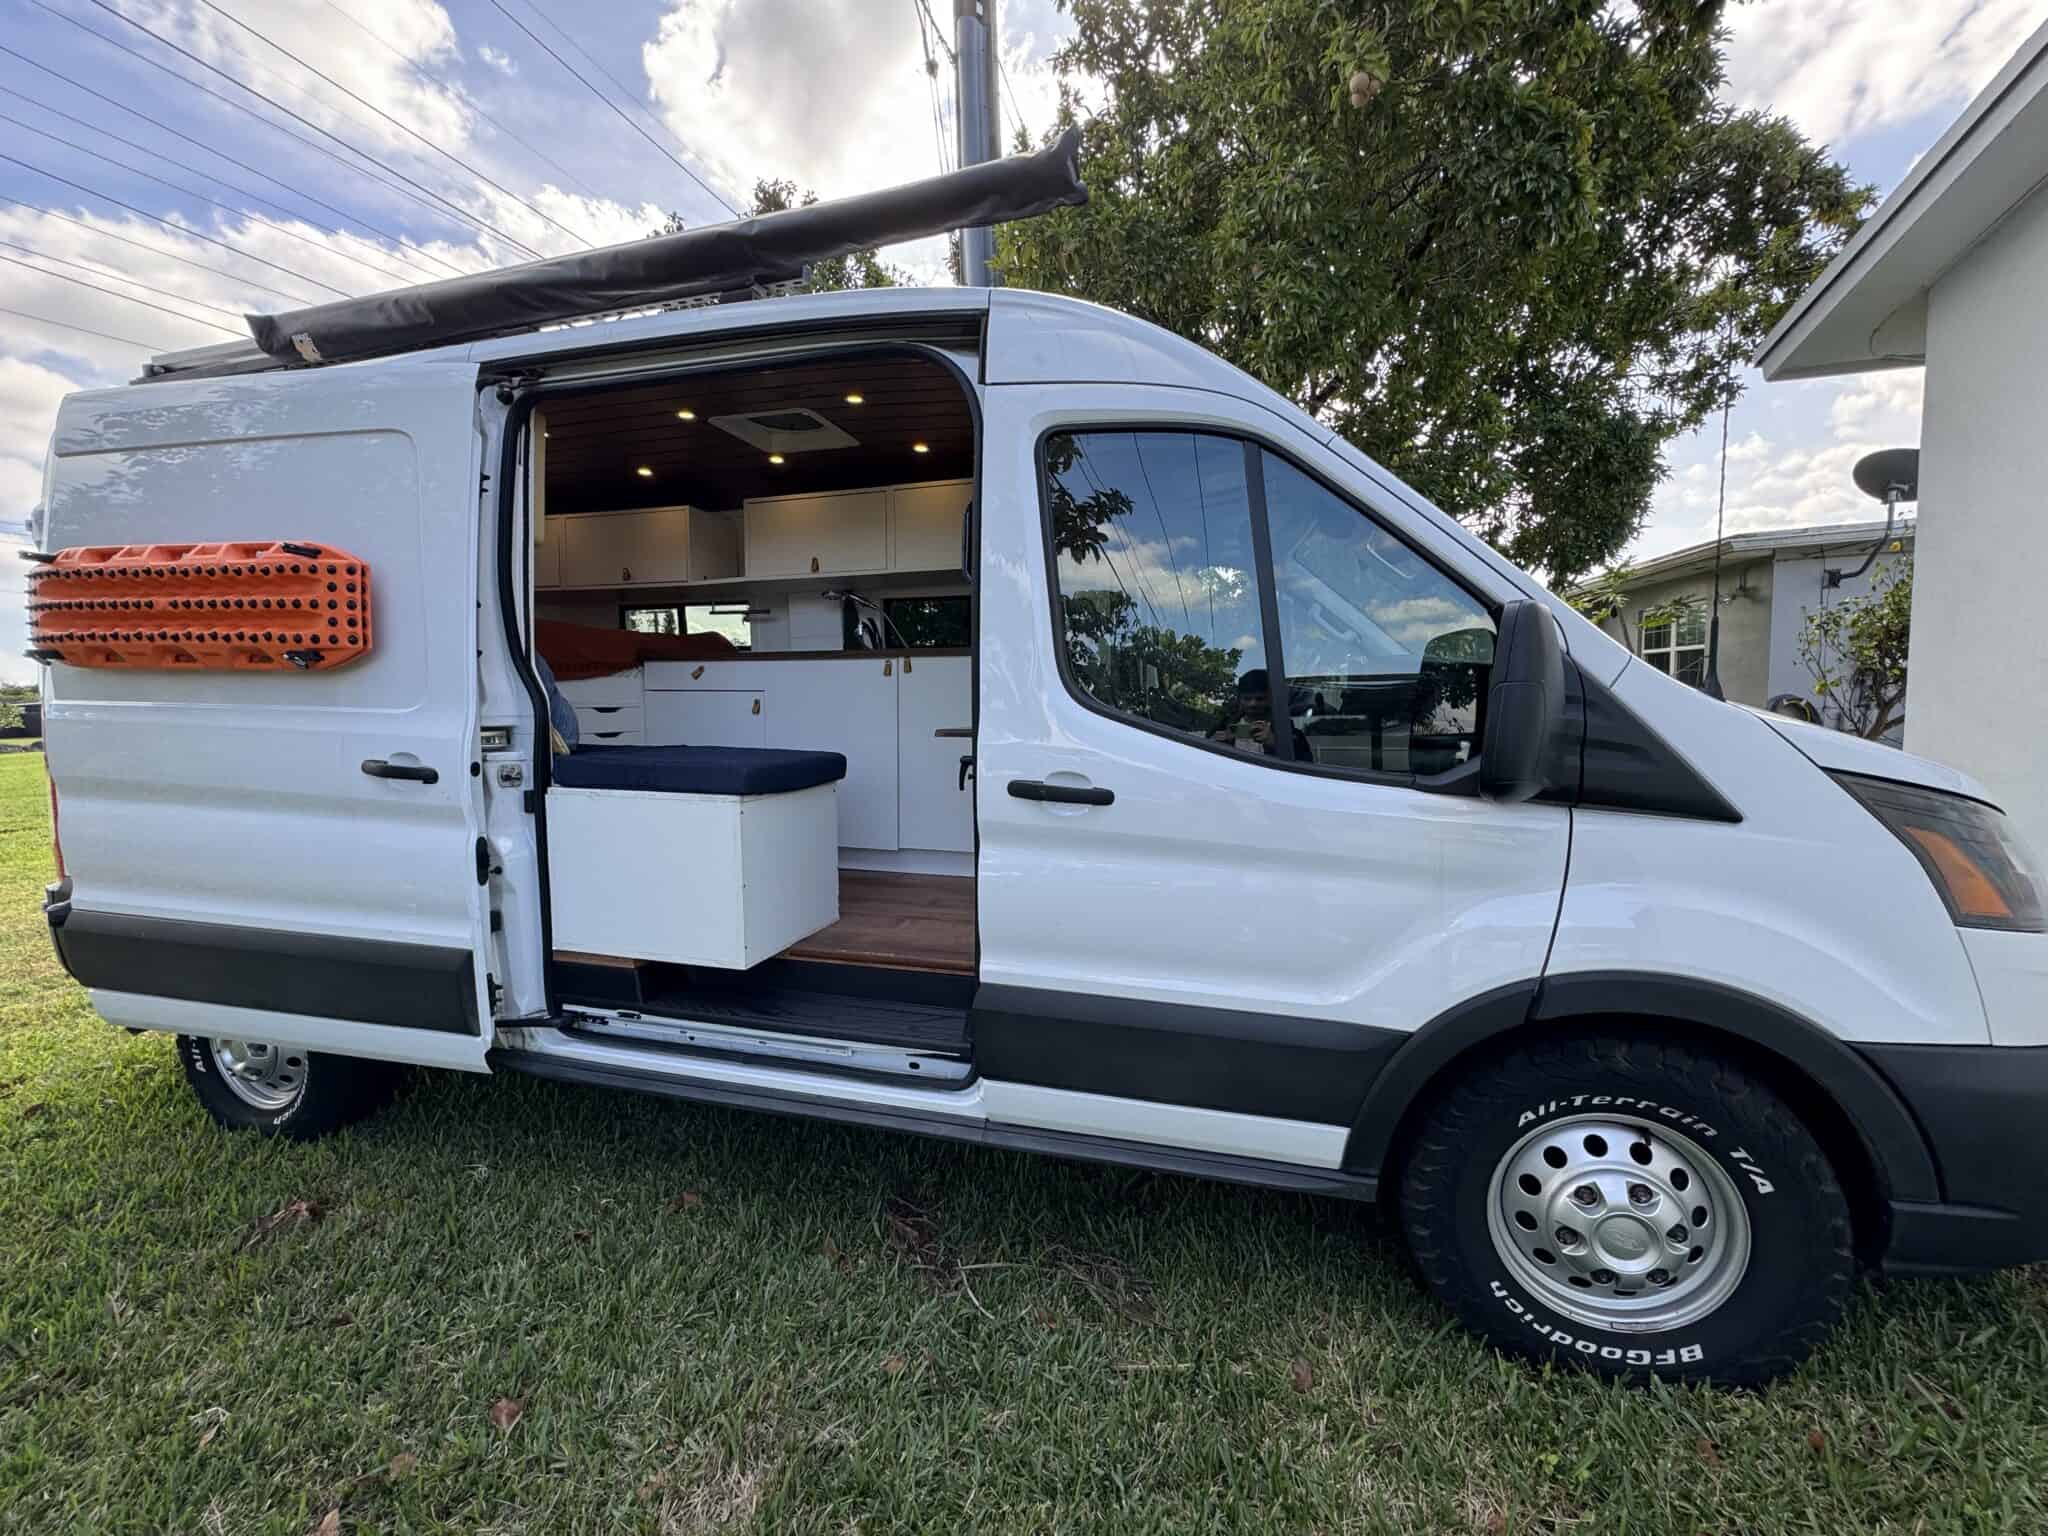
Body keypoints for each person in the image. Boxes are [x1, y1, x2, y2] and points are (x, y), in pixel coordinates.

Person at [1211, 668, 1312, 761]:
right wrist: (1219, 744)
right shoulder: (1224, 726)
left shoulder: (1289, 733)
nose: (1253, 704)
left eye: (1260, 699)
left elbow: (1305, 766)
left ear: (1271, 698)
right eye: (1247, 698)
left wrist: (1275, 744)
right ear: (1239, 699)